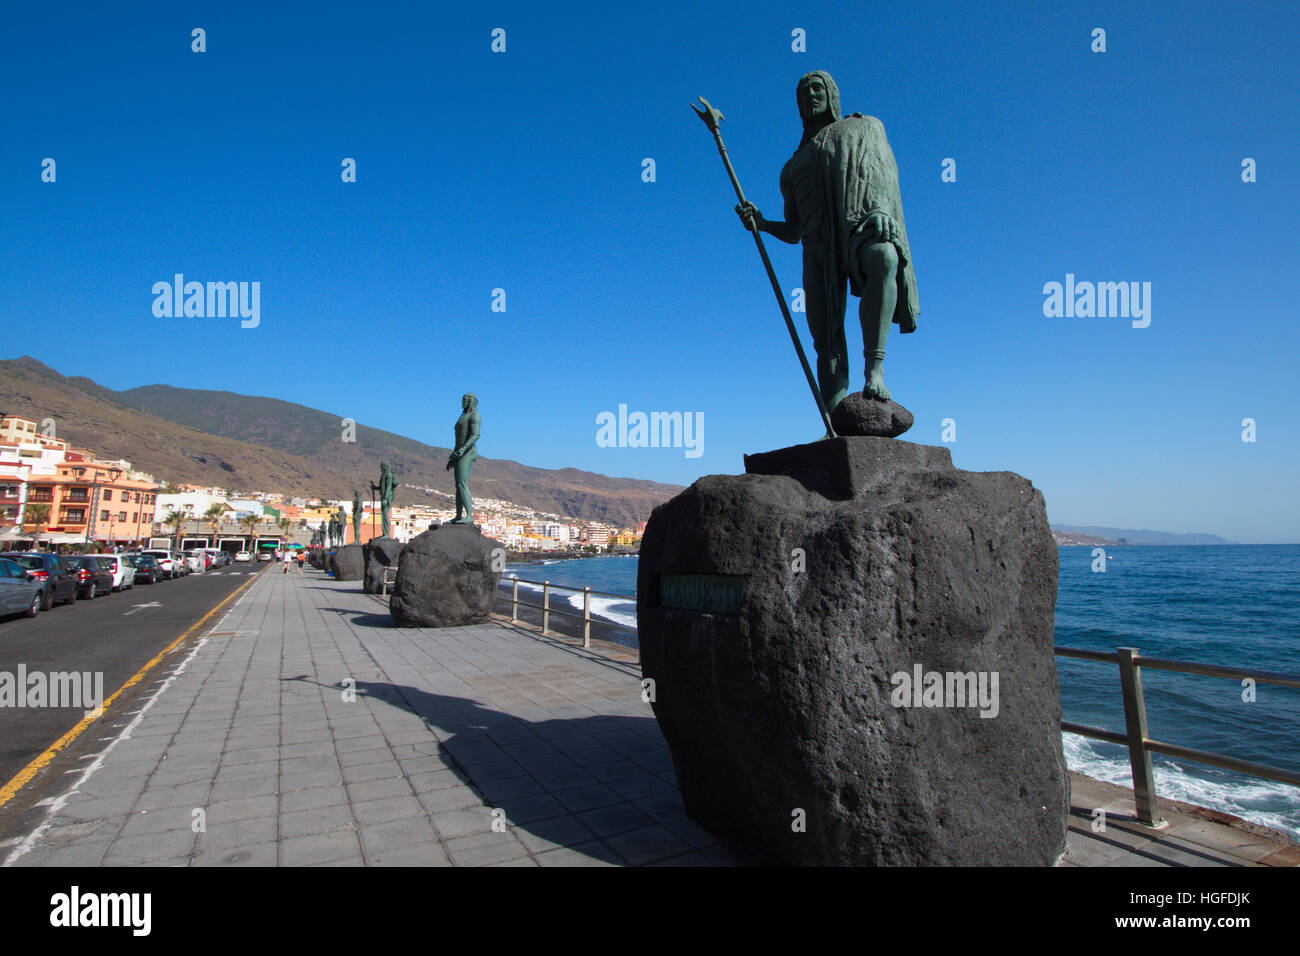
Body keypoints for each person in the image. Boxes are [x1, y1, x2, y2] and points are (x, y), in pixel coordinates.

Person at [736, 71, 919, 413]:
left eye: (817, 88)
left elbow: (878, 171)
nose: (810, 95)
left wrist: (879, 210)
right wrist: (761, 225)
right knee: (824, 336)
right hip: (816, 247)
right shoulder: (791, 169)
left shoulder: (860, 129)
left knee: (883, 257)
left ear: (832, 94)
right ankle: (835, 419)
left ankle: (874, 369)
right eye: (803, 92)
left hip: (856, 226)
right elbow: (794, 230)